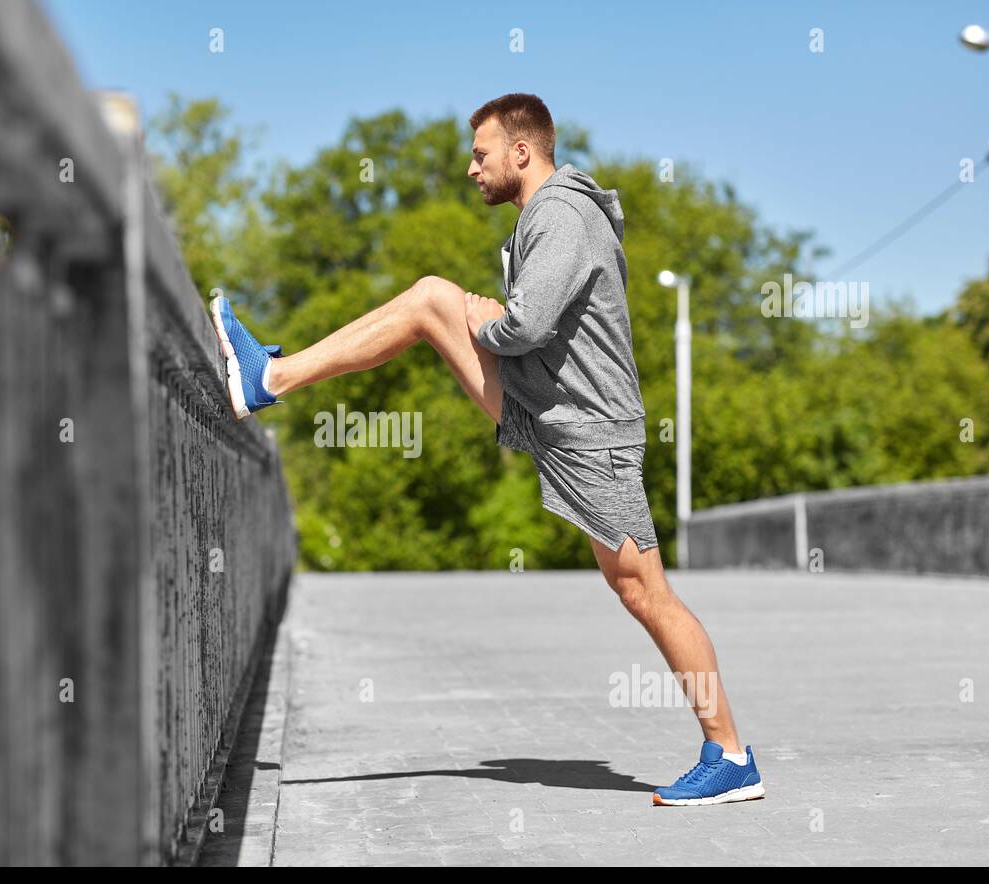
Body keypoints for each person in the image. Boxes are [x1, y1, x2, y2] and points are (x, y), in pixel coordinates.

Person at [208, 92, 763, 807]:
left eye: (480, 154)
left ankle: (730, 753)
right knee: (430, 301)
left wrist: (485, 320)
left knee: (645, 592)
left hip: (592, 433)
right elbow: (533, 321)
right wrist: (479, 316)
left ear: (521, 151)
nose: (472, 169)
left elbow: (527, 324)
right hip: (553, 411)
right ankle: (270, 377)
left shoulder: (562, 212)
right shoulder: (548, 214)